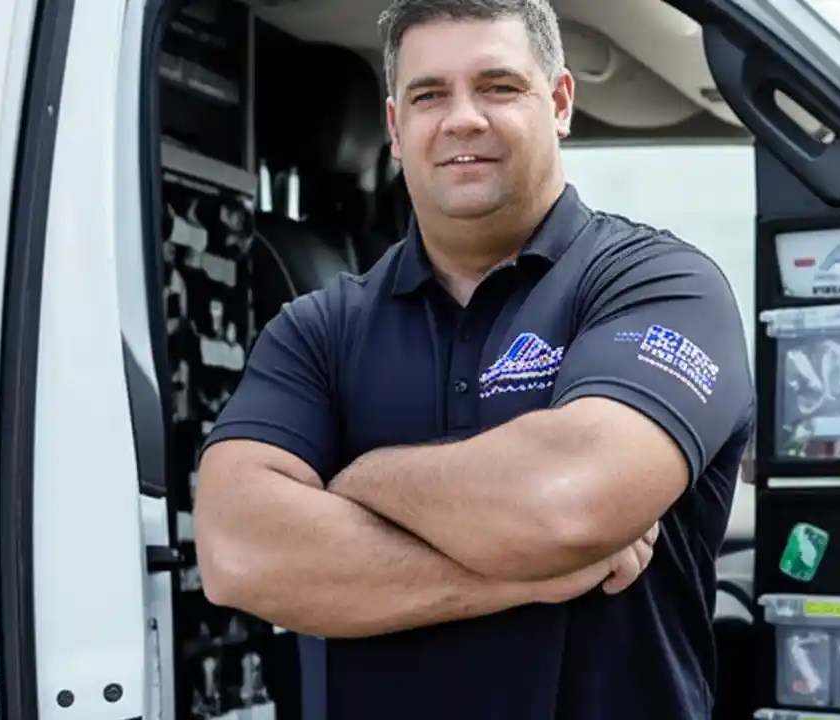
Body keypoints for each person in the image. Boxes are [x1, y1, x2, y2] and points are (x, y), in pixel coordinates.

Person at [194, 0, 755, 717]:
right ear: (396, 128)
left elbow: (568, 504)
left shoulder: (660, 285)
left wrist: (358, 478)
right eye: (430, 95)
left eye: (498, 86)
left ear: (559, 102)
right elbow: (238, 552)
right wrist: (527, 578)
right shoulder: (317, 329)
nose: (463, 118)